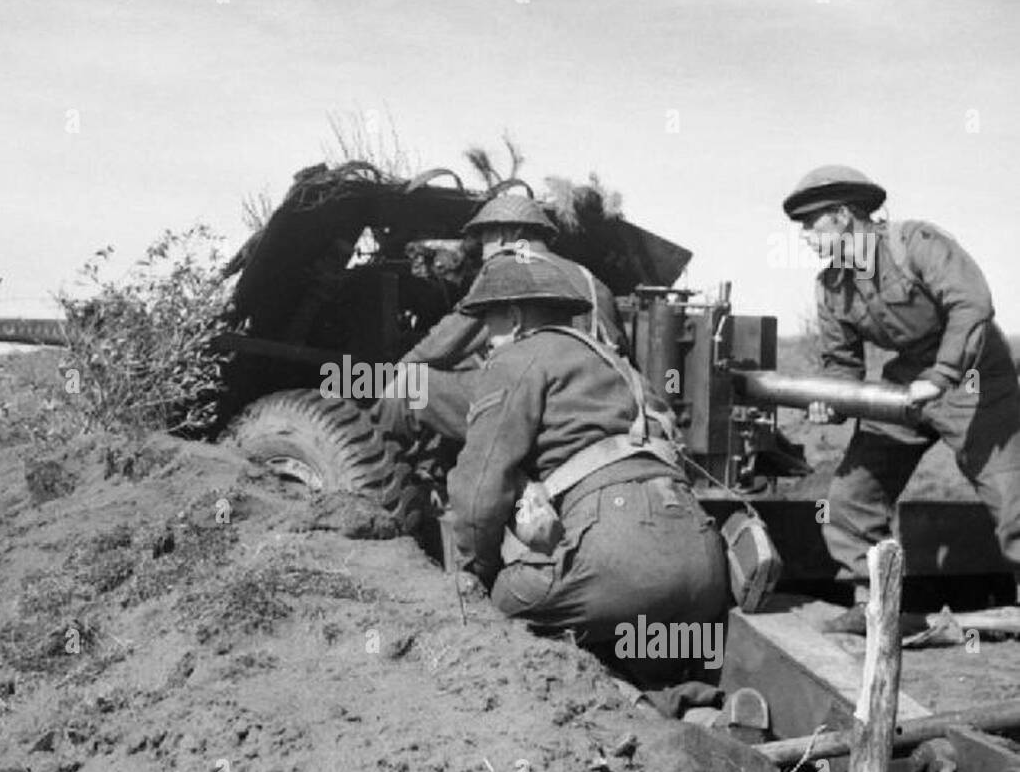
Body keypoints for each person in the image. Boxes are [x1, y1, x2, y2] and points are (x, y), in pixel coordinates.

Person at [447, 249, 728, 684]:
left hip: (616, 562)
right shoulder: (620, 364)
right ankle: (680, 700)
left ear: (516, 317)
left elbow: (478, 495)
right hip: (703, 566)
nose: (485, 337)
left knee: (500, 606)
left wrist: (474, 574)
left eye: (489, 322)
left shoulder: (516, 360)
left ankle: (616, 702)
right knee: (632, 624)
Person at [783, 165, 1020, 632]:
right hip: (909, 383)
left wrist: (943, 375)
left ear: (844, 216)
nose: (806, 236)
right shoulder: (831, 287)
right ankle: (873, 607)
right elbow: (842, 367)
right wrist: (831, 401)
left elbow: (971, 304)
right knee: (852, 497)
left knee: (1012, 500)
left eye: (813, 224)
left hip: (975, 377)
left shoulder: (915, 244)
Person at [378, 184, 627, 442]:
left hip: (535, 400)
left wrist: (399, 370)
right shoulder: (591, 279)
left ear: (505, 234)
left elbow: (446, 342)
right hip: (595, 400)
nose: (481, 247)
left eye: (483, 237)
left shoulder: (505, 268)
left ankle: (372, 464)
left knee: (411, 386)